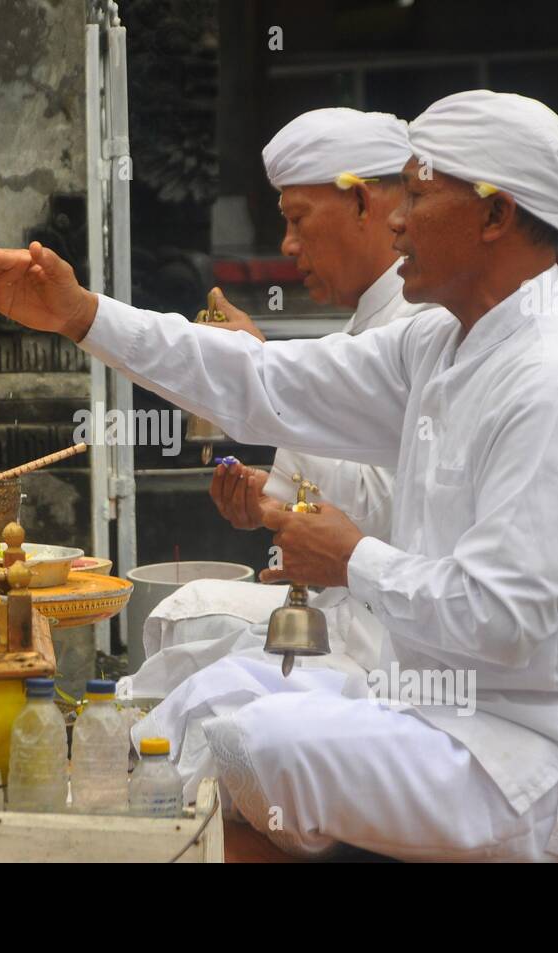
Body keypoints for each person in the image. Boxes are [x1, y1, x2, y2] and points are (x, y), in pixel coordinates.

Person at [0, 90, 558, 862]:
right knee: (201, 707)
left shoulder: (556, 380)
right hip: (441, 715)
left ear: (495, 217)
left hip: (543, 761)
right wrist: (82, 314)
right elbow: (262, 378)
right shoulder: (441, 344)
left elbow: (503, 617)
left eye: (421, 195)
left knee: (257, 742)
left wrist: (352, 558)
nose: (398, 218)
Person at [133, 108, 438, 702]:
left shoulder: (424, 321)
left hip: (396, 632)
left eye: (298, 220)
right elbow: (363, 480)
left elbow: (393, 510)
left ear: (363, 204)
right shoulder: (376, 318)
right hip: (355, 604)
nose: (287, 245)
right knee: (179, 617)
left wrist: (266, 381)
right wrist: (271, 500)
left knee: (207, 694)